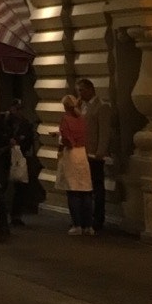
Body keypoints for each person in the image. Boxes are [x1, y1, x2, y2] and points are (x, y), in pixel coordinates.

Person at [76, 77, 113, 232]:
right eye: (79, 91)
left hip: (94, 154)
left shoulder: (101, 107)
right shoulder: (83, 107)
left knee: (97, 186)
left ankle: (98, 218)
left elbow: (105, 131)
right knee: (85, 187)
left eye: (82, 90)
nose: (80, 94)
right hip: (82, 152)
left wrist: (101, 151)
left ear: (90, 89)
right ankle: (86, 217)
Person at [57, 94, 94, 235]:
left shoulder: (65, 119)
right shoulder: (82, 119)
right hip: (82, 153)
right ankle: (88, 226)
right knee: (85, 190)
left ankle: (77, 225)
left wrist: (62, 144)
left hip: (71, 154)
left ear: (66, 106)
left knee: (72, 191)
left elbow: (66, 138)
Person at [8, 99, 39, 226]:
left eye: (21, 109)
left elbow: (29, 140)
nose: (19, 111)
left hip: (20, 159)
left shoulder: (25, 124)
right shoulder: (5, 121)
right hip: (5, 158)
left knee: (20, 187)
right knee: (3, 187)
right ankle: (0, 211)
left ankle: (16, 215)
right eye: (17, 108)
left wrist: (21, 145)